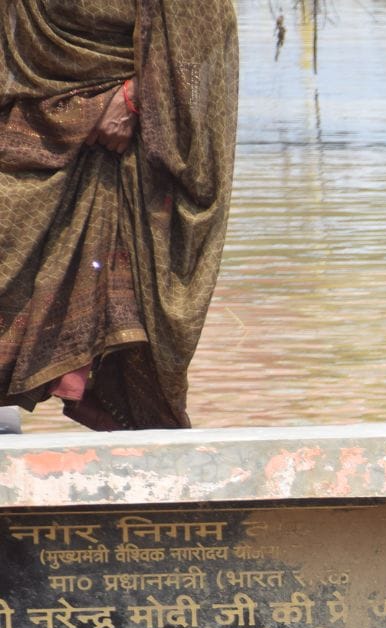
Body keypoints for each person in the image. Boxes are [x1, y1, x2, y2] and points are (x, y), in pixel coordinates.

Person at [0, 0, 239, 430]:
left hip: (125, 152)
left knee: (126, 315)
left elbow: (202, 32)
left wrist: (138, 95)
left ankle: (149, 463)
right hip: (30, 112)